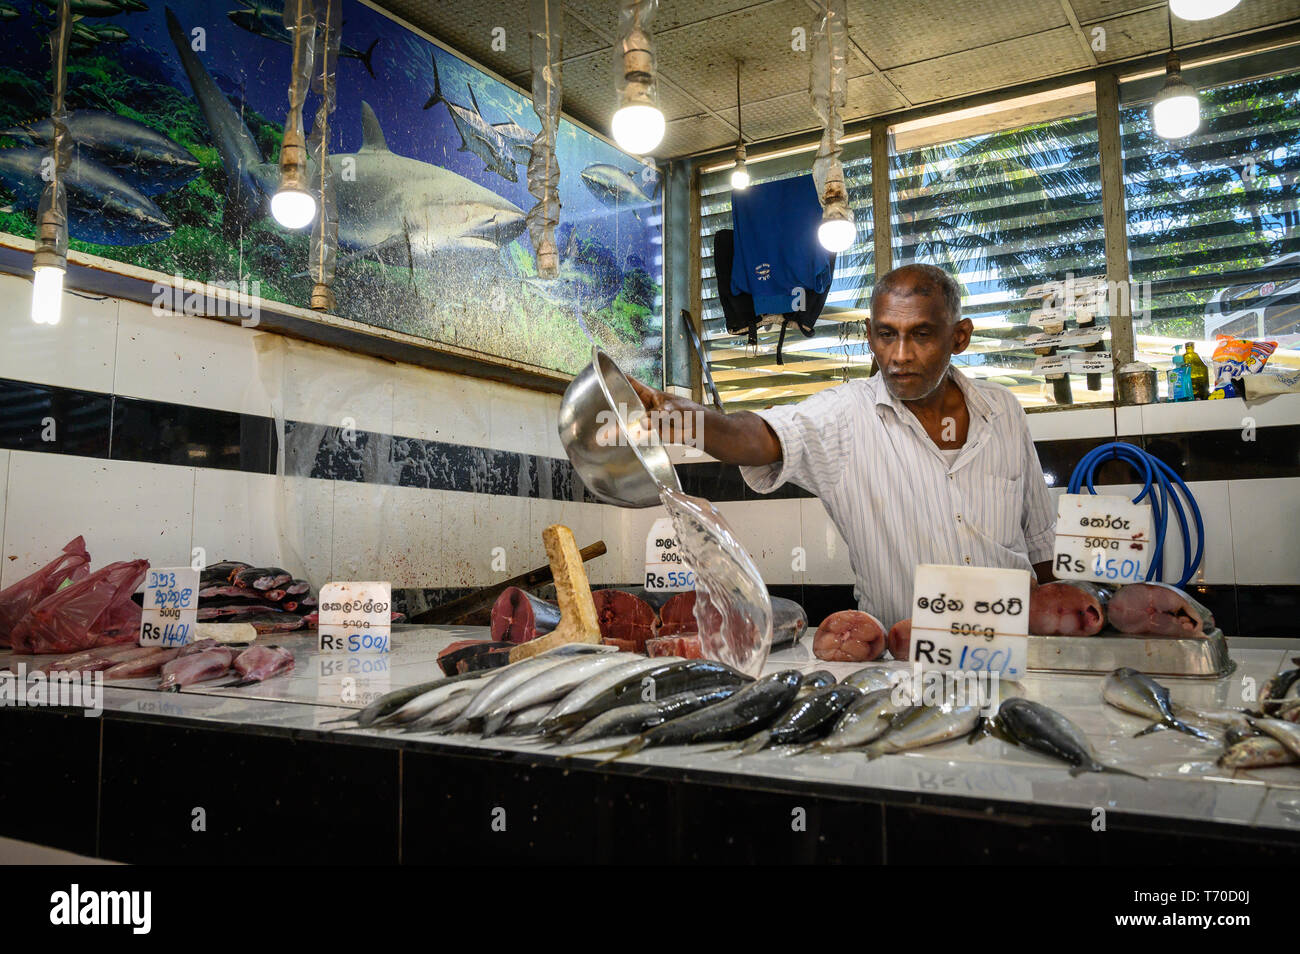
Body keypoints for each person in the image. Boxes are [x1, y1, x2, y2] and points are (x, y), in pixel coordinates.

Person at [629, 263, 1057, 629]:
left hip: (1017, 650)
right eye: (887, 335)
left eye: (922, 335)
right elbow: (758, 436)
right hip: (900, 662)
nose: (900, 354)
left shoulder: (1002, 411)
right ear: (870, 335)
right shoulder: (845, 416)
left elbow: (1039, 542)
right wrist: (686, 418)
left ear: (959, 337)